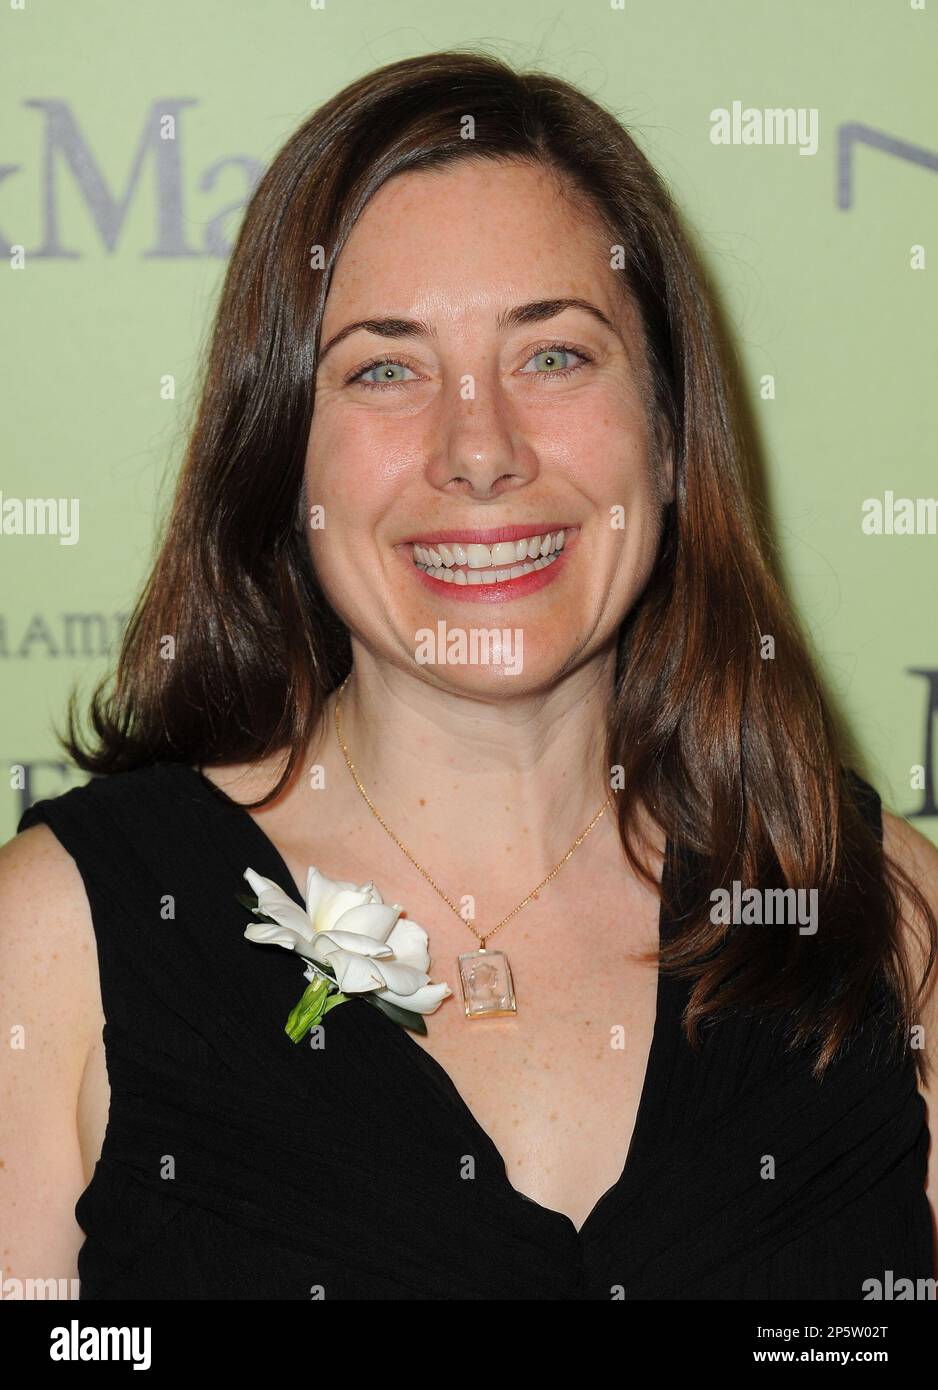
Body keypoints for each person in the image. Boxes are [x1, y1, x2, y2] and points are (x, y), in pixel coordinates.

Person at [2, 49, 936, 1301]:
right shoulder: (59, 941)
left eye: (552, 355)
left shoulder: (877, 913)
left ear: (665, 435)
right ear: (284, 460)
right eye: (383, 368)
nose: (480, 449)